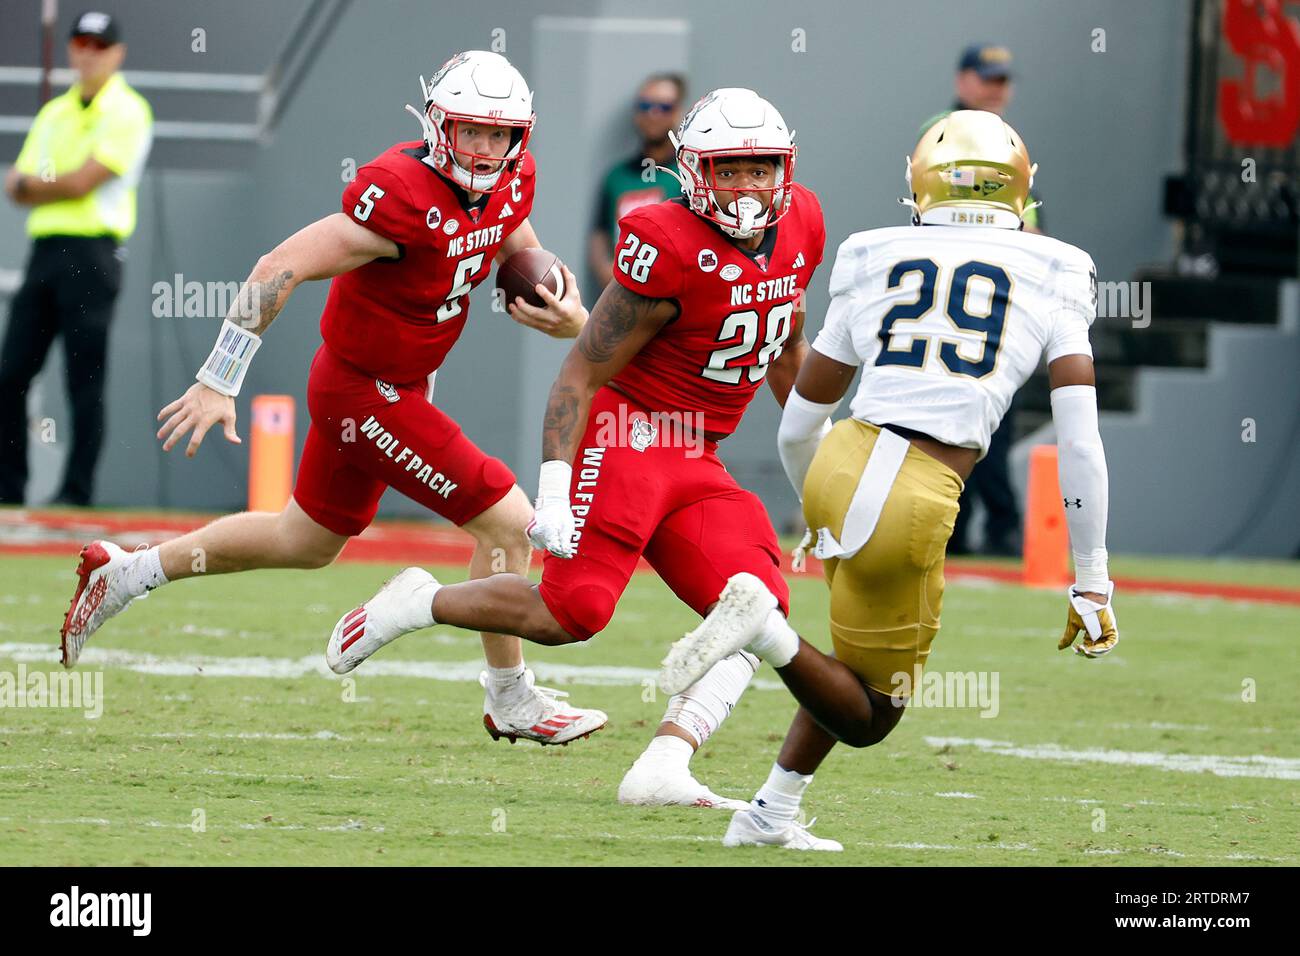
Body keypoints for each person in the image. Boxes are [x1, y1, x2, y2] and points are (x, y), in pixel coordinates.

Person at [58, 50, 608, 746]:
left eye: (500, 135)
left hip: (395, 386)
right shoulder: (400, 195)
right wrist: (218, 378)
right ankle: (511, 697)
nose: (486, 148)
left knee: (305, 541)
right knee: (507, 523)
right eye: (472, 131)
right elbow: (277, 267)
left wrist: (568, 310)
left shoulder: (510, 180)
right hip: (363, 393)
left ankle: (126, 574)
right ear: (439, 125)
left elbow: (516, 242)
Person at [328, 88, 827, 811]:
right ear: (694, 172)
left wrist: (824, 468)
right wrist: (555, 487)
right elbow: (581, 370)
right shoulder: (664, 238)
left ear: (785, 169)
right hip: (627, 435)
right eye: (729, 170)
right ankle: (420, 601)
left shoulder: (805, 219)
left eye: (759, 170)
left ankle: (664, 764)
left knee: (760, 607)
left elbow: (786, 349)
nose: (747, 188)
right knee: (576, 614)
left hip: (697, 453)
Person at [658, 110, 1121, 850]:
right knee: (875, 711)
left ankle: (770, 813)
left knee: (855, 666)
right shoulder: (1059, 267)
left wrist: (825, 512)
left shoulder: (874, 251)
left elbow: (798, 424)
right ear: (1022, 188)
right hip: (915, 490)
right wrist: (1091, 576)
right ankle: (766, 632)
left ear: (920, 182)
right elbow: (1080, 441)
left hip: (843, 460)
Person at [1, 11, 152, 507]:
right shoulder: (54, 113)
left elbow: (81, 181)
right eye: (80, 42)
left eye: (98, 44)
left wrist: (39, 185)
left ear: (117, 53)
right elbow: (14, 188)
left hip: (93, 255)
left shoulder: (128, 110)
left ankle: (76, 493)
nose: (87, 52)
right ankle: (8, 489)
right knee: (10, 374)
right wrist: (45, 186)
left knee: (84, 381)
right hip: (44, 251)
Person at [922, 43, 1036, 556]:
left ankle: (986, 528)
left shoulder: (1010, 141)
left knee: (993, 421)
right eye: (987, 79)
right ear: (963, 80)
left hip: (997, 299)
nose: (996, 90)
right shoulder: (945, 132)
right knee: (961, 421)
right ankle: (980, 528)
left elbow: (1027, 222)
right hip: (958, 299)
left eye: (1003, 80)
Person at [587, 74, 686, 291]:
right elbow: (599, 233)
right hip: (622, 298)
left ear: (678, 112)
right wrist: (610, 279)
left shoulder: (689, 174)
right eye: (645, 105)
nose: (653, 114)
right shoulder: (615, 177)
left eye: (664, 106)